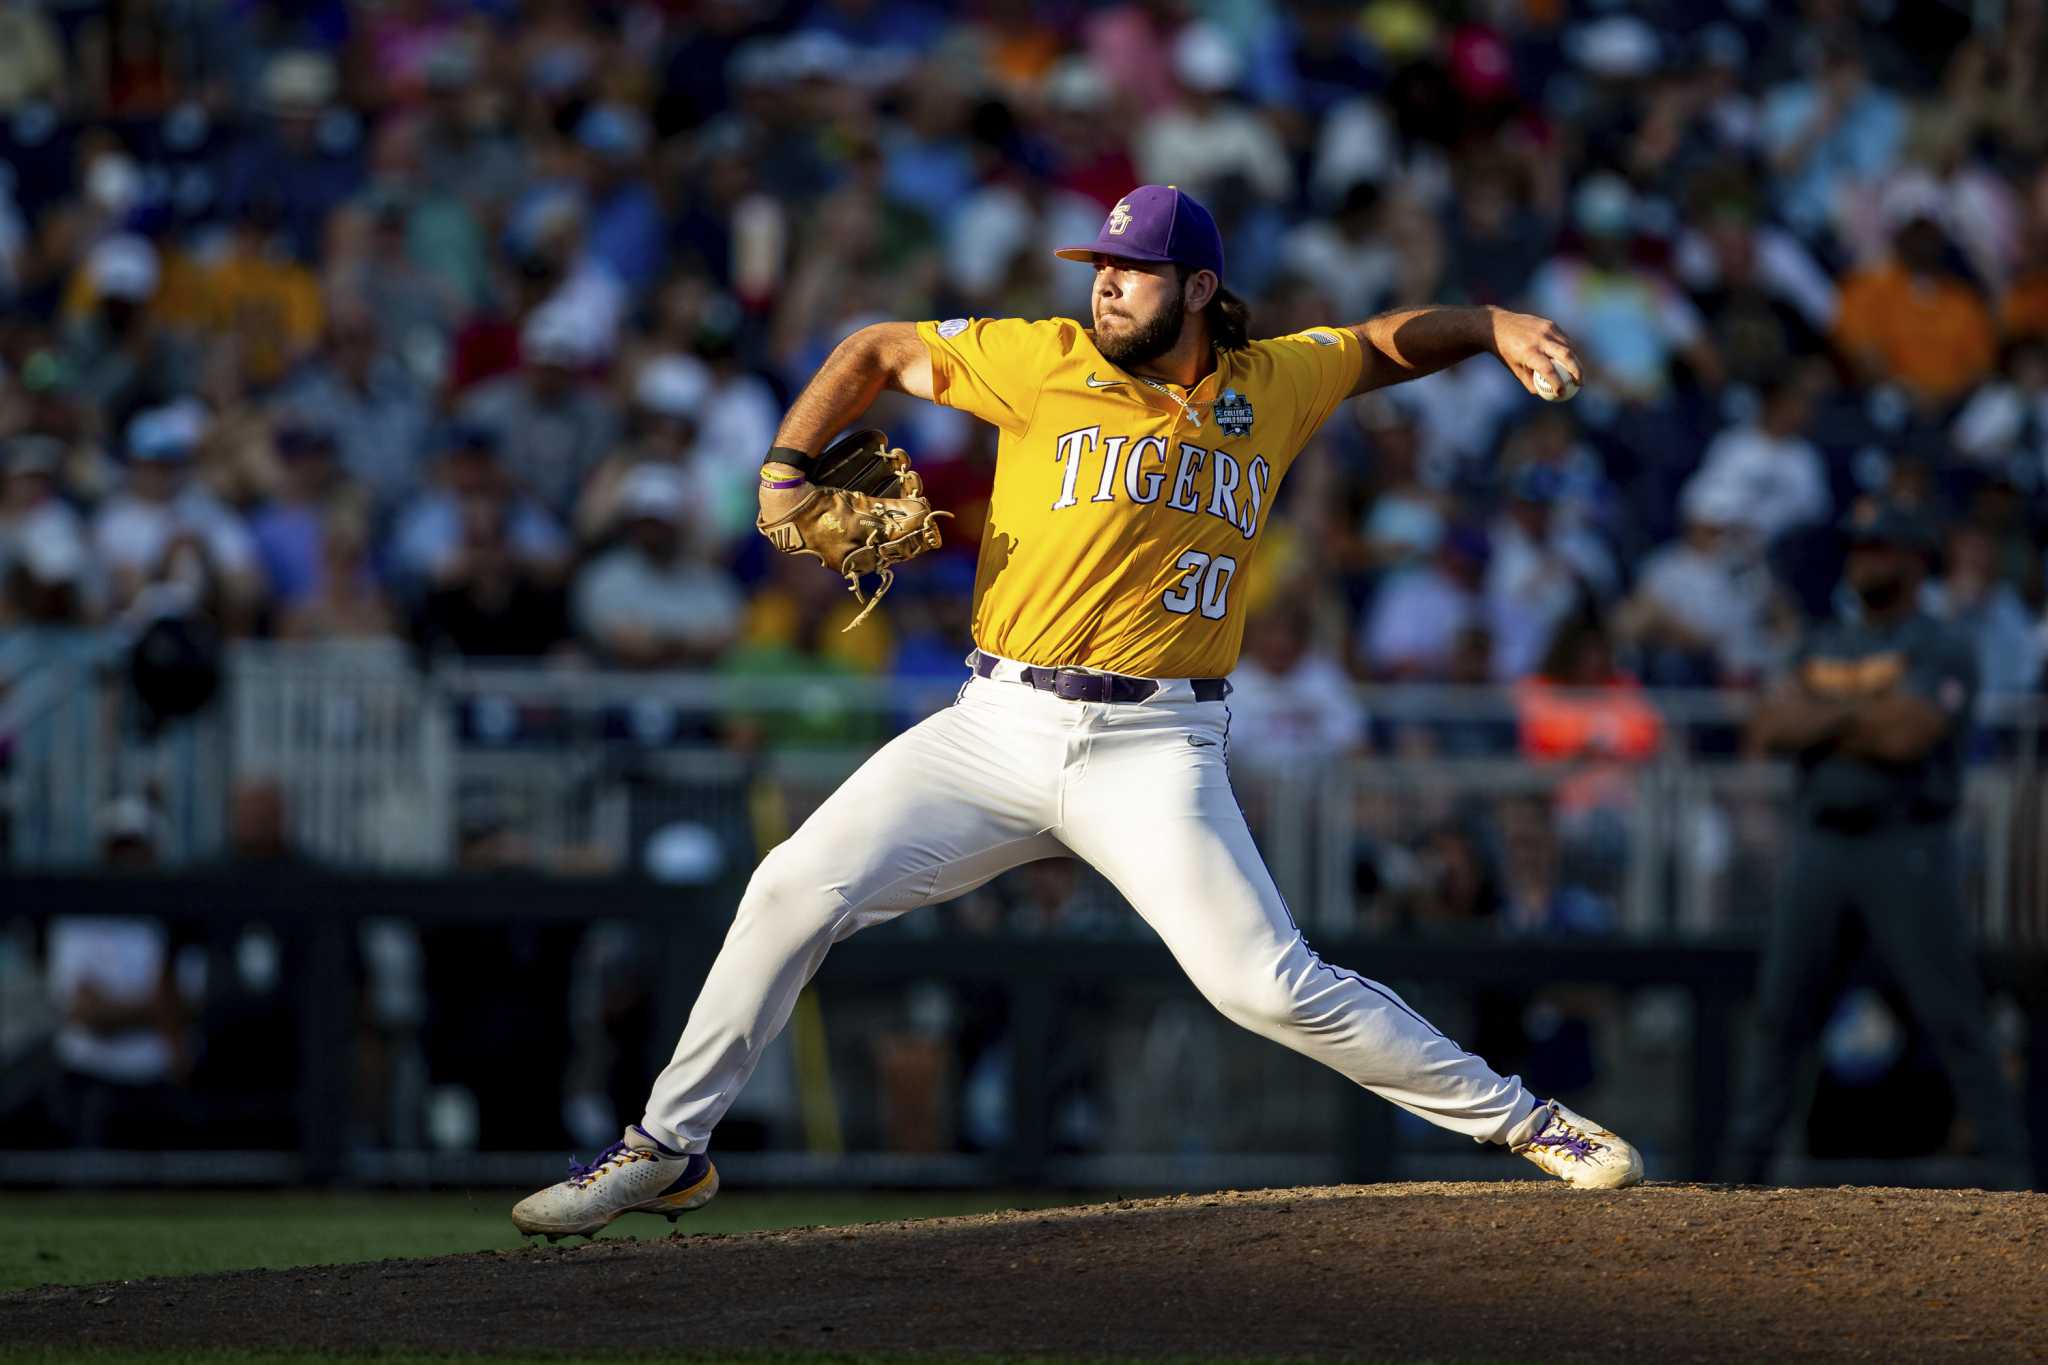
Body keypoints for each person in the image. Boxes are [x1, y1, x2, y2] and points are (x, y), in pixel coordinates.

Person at [511, 184, 1643, 1240]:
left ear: (1198, 289)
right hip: (992, 722)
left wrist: (1492, 321)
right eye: (1099, 266)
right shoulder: (1037, 359)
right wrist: (784, 468)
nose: (1105, 285)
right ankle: (668, 1144)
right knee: (790, 885)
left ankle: (1521, 1120)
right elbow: (872, 347)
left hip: (1157, 746)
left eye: (1134, 270)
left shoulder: (1271, 381)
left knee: (1261, 983)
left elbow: (1381, 344)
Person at [1731, 499, 2027, 1184]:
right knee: (1781, 1020)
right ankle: (1735, 1184)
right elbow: (1770, 725)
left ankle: (2018, 1183)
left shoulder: (1941, 641)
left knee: (1956, 1020)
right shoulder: (1822, 638)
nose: (1864, 558)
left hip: (1908, 844)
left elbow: (1909, 734)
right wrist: (1865, 707)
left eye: (1880, 547)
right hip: (1821, 846)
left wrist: (1823, 713)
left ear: (1916, 559)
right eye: (1858, 546)